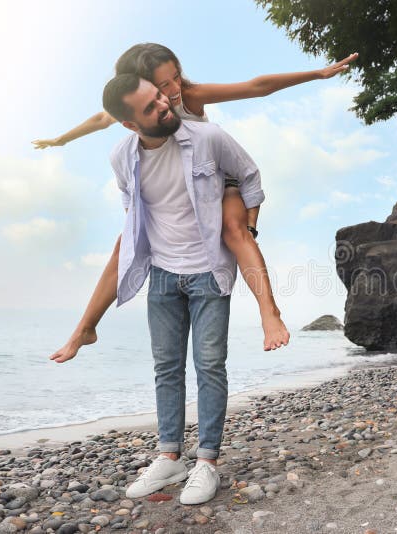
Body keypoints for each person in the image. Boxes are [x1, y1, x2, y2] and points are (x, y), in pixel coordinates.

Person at [41, 44, 358, 357]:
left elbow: (257, 87)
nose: (174, 89)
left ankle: (269, 313)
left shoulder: (189, 95)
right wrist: (60, 140)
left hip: (214, 174)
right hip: (177, 188)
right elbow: (100, 120)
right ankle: (86, 328)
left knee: (234, 231)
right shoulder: (139, 107)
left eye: (176, 77)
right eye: (163, 85)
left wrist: (318, 73)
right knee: (124, 245)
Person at [78, 72, 263, 504]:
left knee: (210, 365)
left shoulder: (207, 137)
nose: (163, 105)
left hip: (209, 271)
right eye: (150, 107)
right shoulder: (121, 156)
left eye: (159, 96)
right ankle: (169, 456)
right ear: (129, 123)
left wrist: (247, 229)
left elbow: (250, 176)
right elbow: (132, 210)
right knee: (166, 369)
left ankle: (208, 462)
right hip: (161, 273)